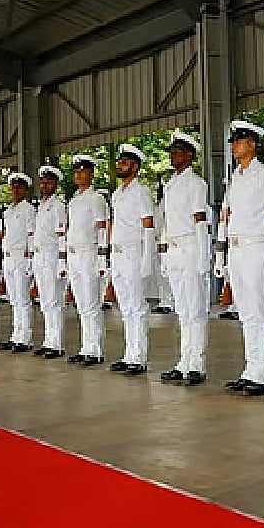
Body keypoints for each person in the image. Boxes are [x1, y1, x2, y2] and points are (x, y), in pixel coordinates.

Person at [216, 121, 264, 396]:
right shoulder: (236, 178)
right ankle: (250, 369)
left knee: (260, 311)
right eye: (233, 141)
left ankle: (262, 374)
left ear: (252, 144)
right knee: (245, 313)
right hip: (237, 248)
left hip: (257, 247)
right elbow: (225, 216)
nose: (234, 146)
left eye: (239, 141)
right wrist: (221, 254)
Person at [159, 132, 210, 386]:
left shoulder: (195, 183)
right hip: (175, 249)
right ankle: (184, 361)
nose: (173, 155)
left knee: (195, 309)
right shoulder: (170, 184)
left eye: (179, 151)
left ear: (190, 155)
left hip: (191, 247)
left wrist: (203, 258)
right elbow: (167, 221)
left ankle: (196, 365)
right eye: (172, 151)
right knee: (182, 310)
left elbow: (200, 221)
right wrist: (166, 255)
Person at [108, 144, 155, 376]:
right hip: (117, 253)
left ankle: (139, 357)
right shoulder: (117, 194)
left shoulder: (141, 192)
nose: (120, 165)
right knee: (125, 307)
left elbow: (148, 225)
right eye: (119, 161)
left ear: (135, 167)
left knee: (137, 306)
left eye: (125, 162)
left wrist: (148, 257)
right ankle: (129, 354)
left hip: (133, 252)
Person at [62, 155, 108, 364]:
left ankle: (95, 349)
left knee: (91, 303)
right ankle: (85, 347)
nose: (79, 175)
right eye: (77, 172)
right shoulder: (74, 200)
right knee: (81, 304)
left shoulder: (96, 198)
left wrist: (101, 258)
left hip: (89, 253)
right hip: (74, 255)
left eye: (83, 171)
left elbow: (102, 229)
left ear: (91, 174)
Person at [32, 166, 68, 358]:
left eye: (49, 182)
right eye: (43, 182)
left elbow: (61, 236)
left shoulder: (58, 206)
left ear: (55, 184)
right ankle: (48, 341)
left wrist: (62, 262)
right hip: (39, 256)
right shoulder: (42, 206)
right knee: (45, 301)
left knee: (54, 300)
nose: (45, 185)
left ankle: (56, 344)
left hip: (52, 256)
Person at [0, 173, 37, 352]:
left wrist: (30, 259)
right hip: (8, 257)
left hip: (21, 256)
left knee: (22, 299)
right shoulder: (7, 211)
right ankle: (16, 335)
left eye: (19, 187)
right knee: (14, 299)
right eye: (13, 186)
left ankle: (25, 338)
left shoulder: (28, 209)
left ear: (25, 190)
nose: (15, 190)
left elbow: (31, 235)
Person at [151, 177, 174, 314]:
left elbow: (167, 223)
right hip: (158, 241)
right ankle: (164, 300)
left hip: (166, 242)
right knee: (160, 275)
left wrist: (163, 241)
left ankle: (169, 302)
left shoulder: (169, 202)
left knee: (167, 275)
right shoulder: (158, 205)